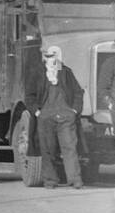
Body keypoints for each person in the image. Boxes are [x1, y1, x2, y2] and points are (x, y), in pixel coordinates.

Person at [26, 45, 84, 189]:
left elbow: (78, 92)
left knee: (70, 148)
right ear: (44, 58)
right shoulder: (37, 73)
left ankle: (75, 180)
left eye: (54, 56)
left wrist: (74, 111)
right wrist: (37, 112)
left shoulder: (66, 72)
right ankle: (50, 181)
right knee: (48, 150)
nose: (52, 59)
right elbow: (29, 96)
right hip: (46, 117)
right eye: (48, 56)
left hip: (65, 117)